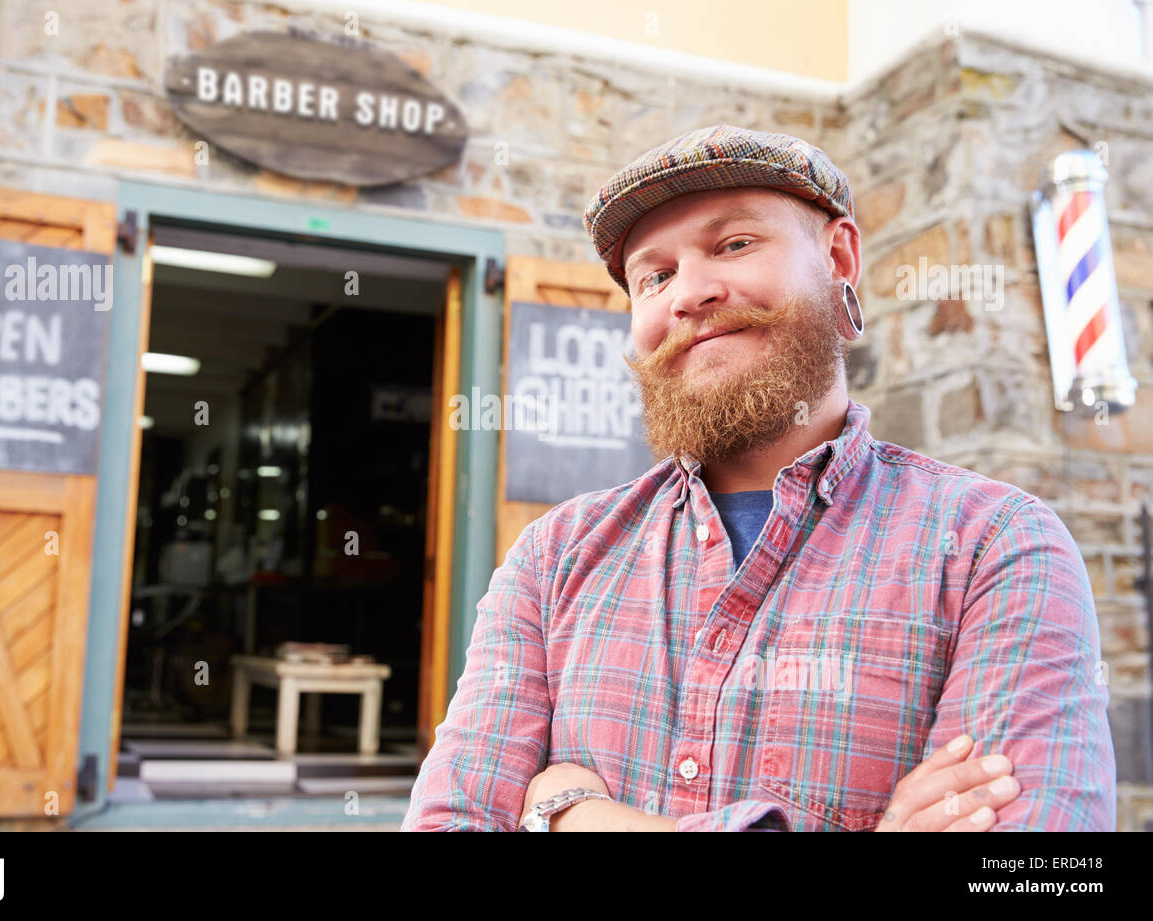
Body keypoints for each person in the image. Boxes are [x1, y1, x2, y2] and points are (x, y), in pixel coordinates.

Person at [400, 125, 1116, 831]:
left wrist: (575, 815)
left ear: (840, 256)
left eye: (733, 244)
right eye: (656, 275)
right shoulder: (553, 556)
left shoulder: (995, 546)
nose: (689, 294)